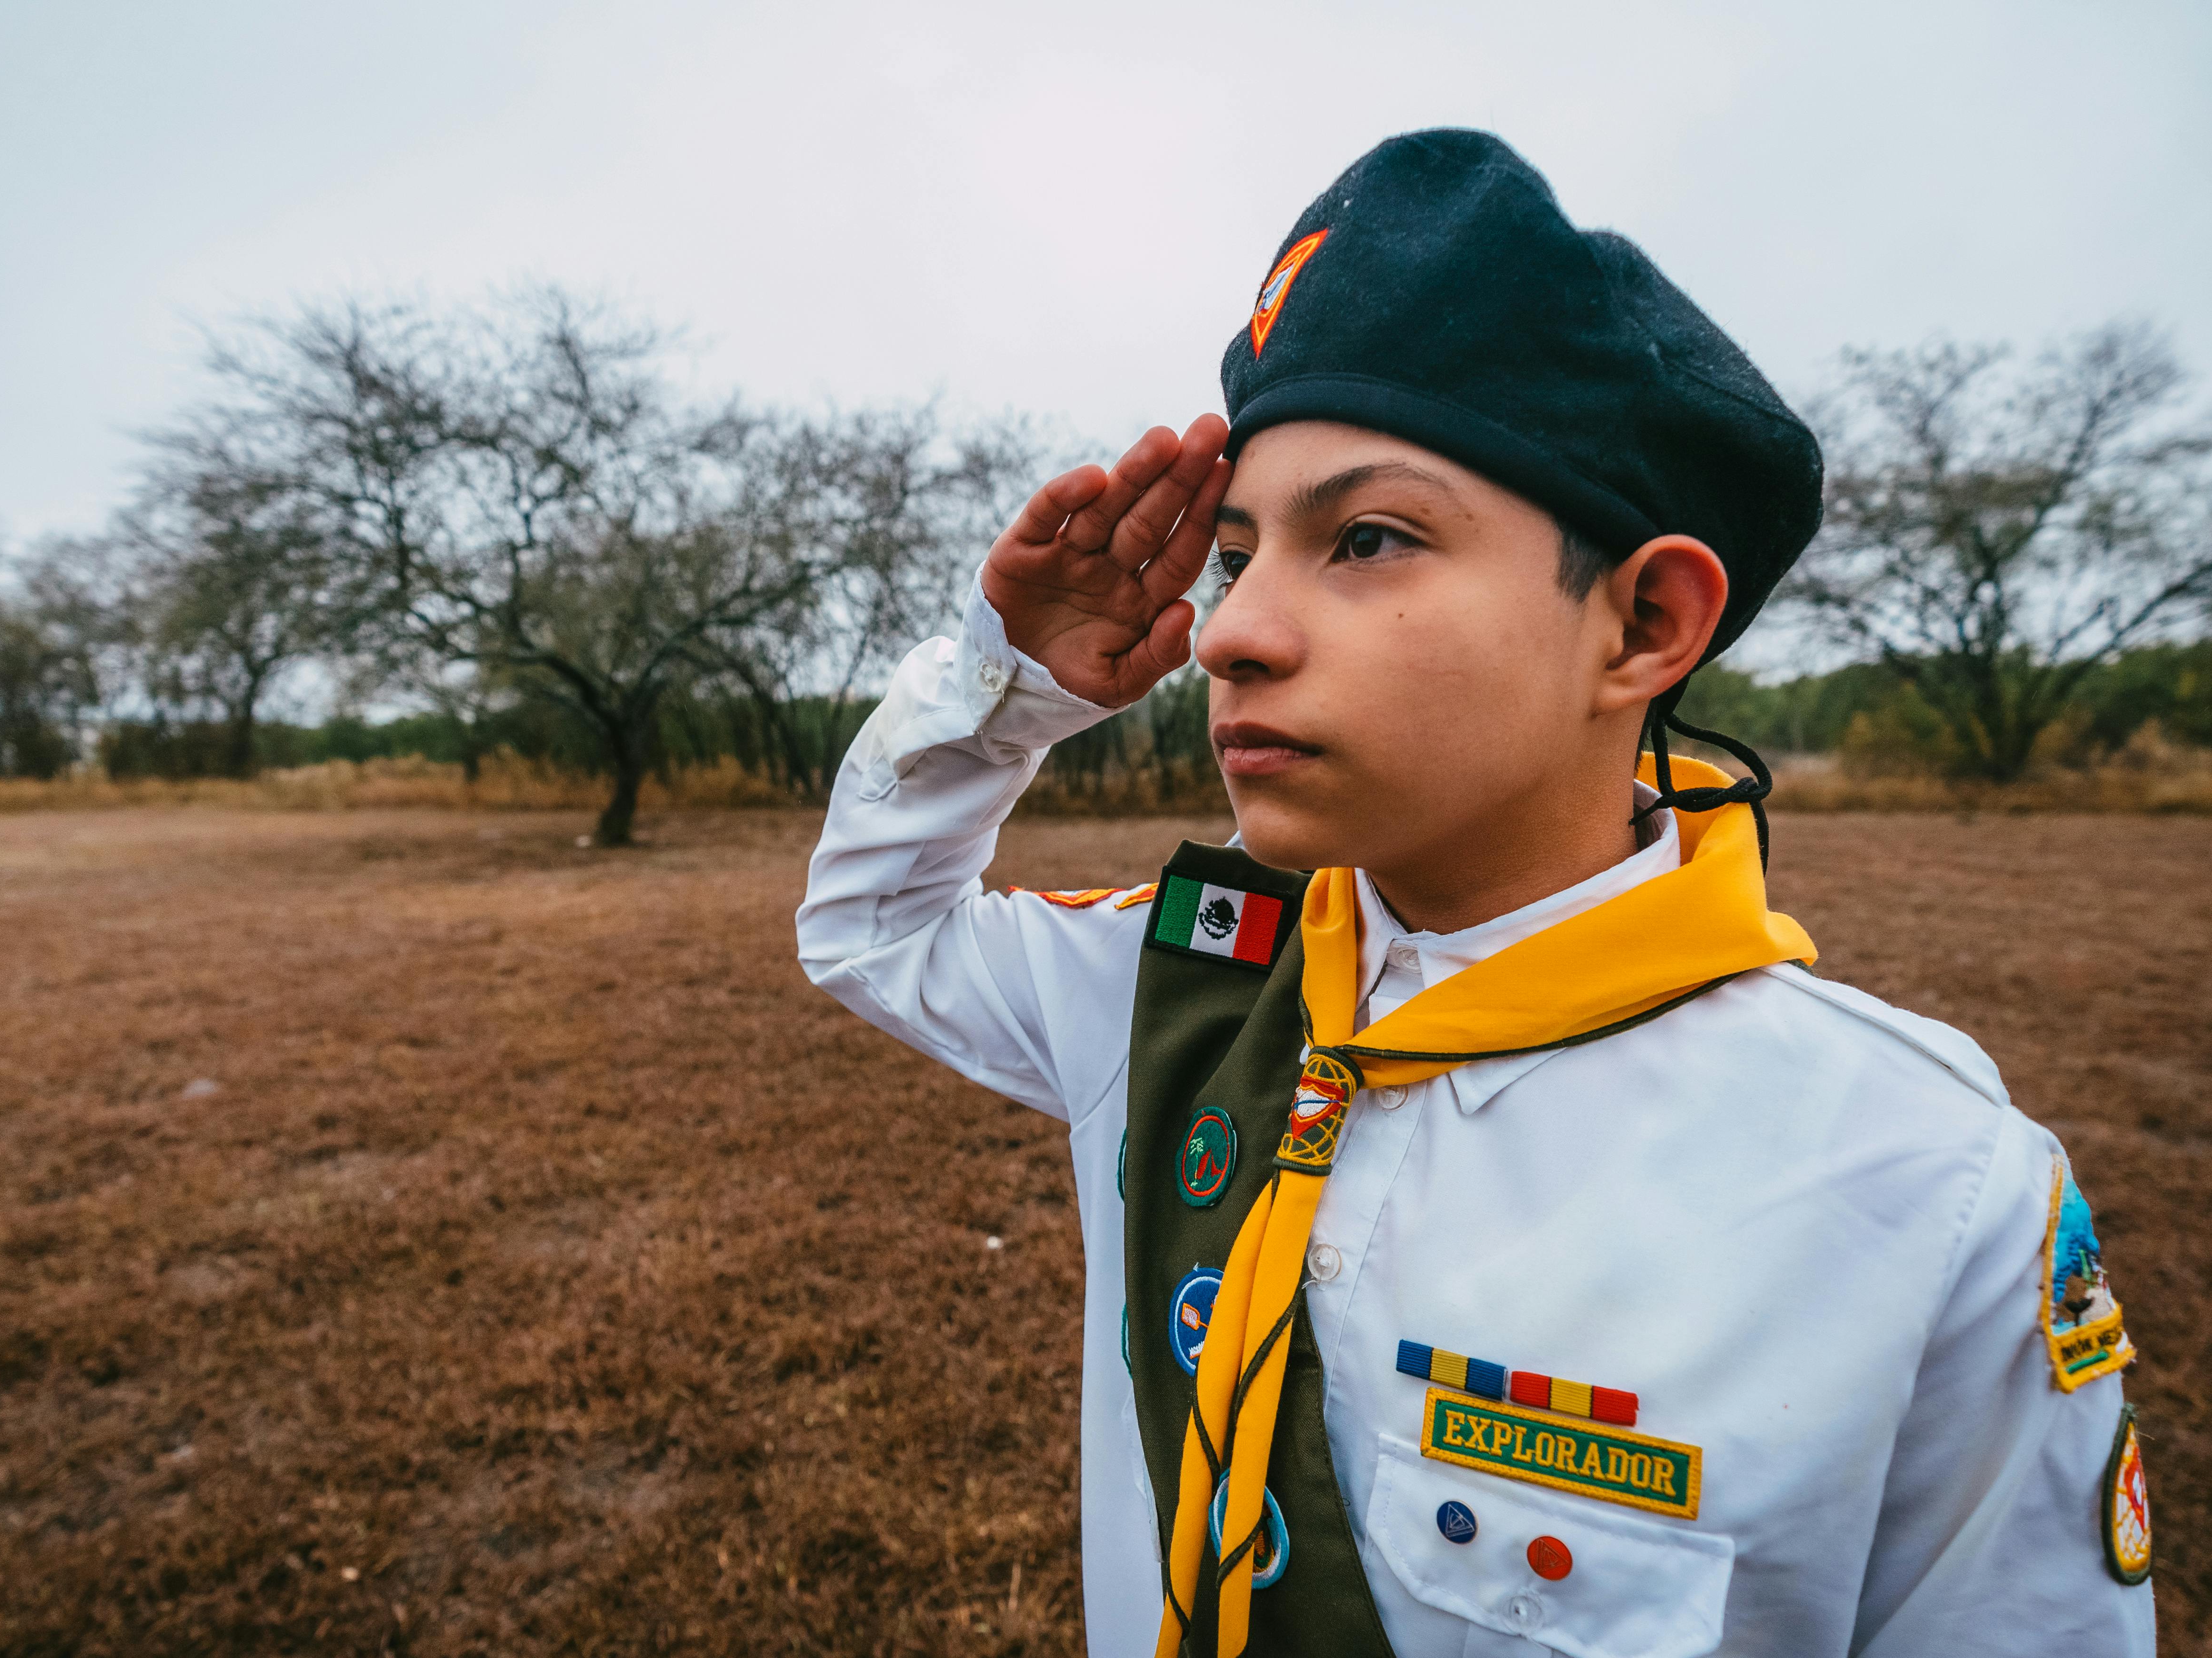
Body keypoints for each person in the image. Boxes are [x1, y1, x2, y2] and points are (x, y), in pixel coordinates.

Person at [795, 129, 2154, 1658]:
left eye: (1367, 539)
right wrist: (1012, 680)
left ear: (1646, 621)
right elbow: (875, 931)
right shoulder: (1184, 990)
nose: (1234, 633)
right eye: (1235, 556)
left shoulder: (1917, 1185)